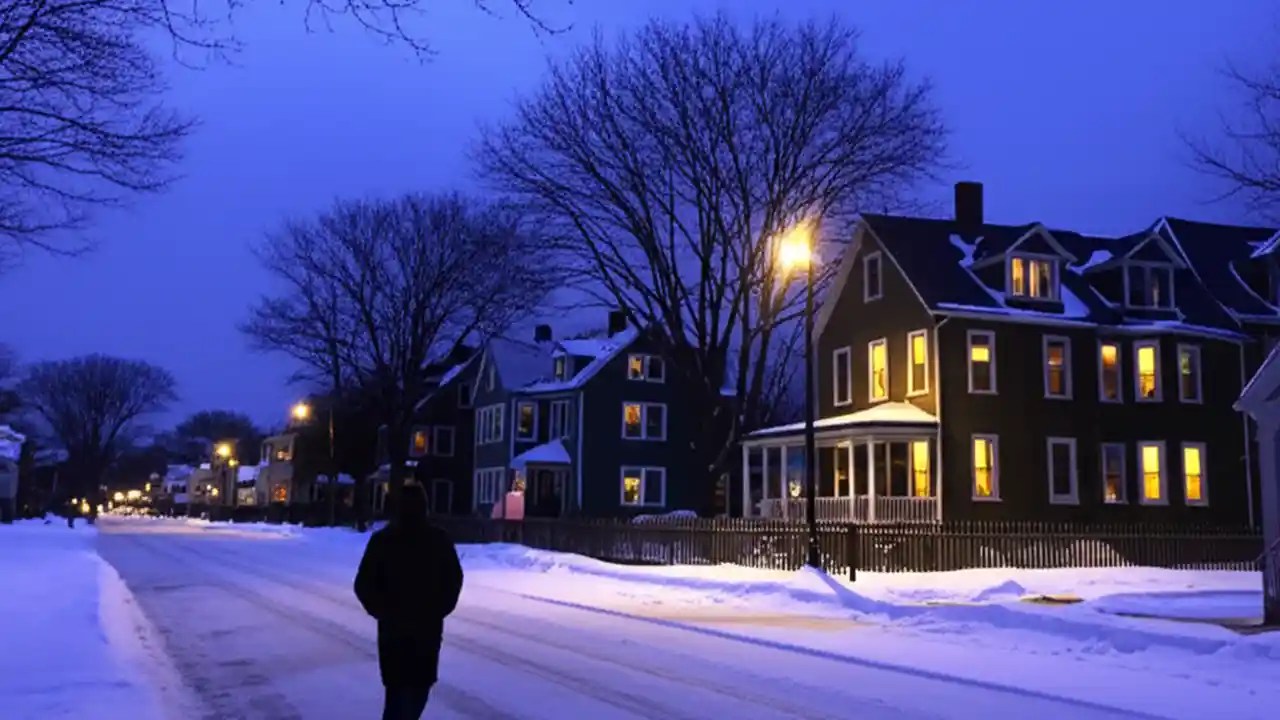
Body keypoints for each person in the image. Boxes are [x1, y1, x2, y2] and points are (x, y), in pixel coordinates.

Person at [354, 483, 464, 720]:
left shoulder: (384, 541)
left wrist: (383, 611)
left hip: (395, 632)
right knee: (414, 693)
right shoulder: (437, 540)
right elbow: (453, 581)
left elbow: (363, 585)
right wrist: (437, 610)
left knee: (398, 694)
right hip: (425, 631)